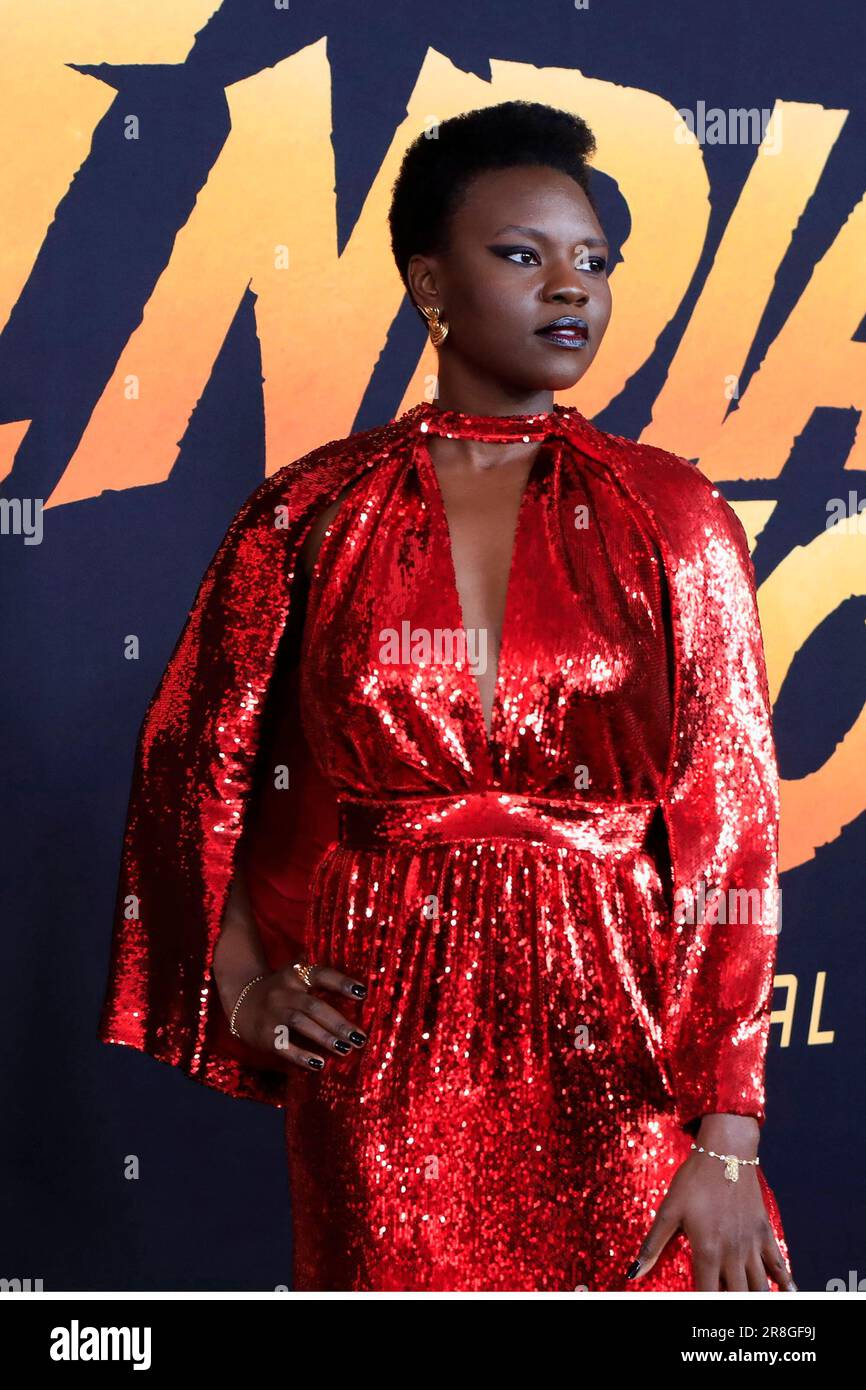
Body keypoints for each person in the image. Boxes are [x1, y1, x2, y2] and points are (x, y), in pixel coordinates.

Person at [98, 100, 795, 1293]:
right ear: (430, 283)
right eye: (522, 256)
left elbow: (733, 823)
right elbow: (191, 765)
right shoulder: (309, 513)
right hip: (382, 1063)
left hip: (621, 1049)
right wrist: (242, 982)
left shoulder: (674, 517)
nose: (569, 287)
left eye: (592, 261)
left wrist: (726, 1133)